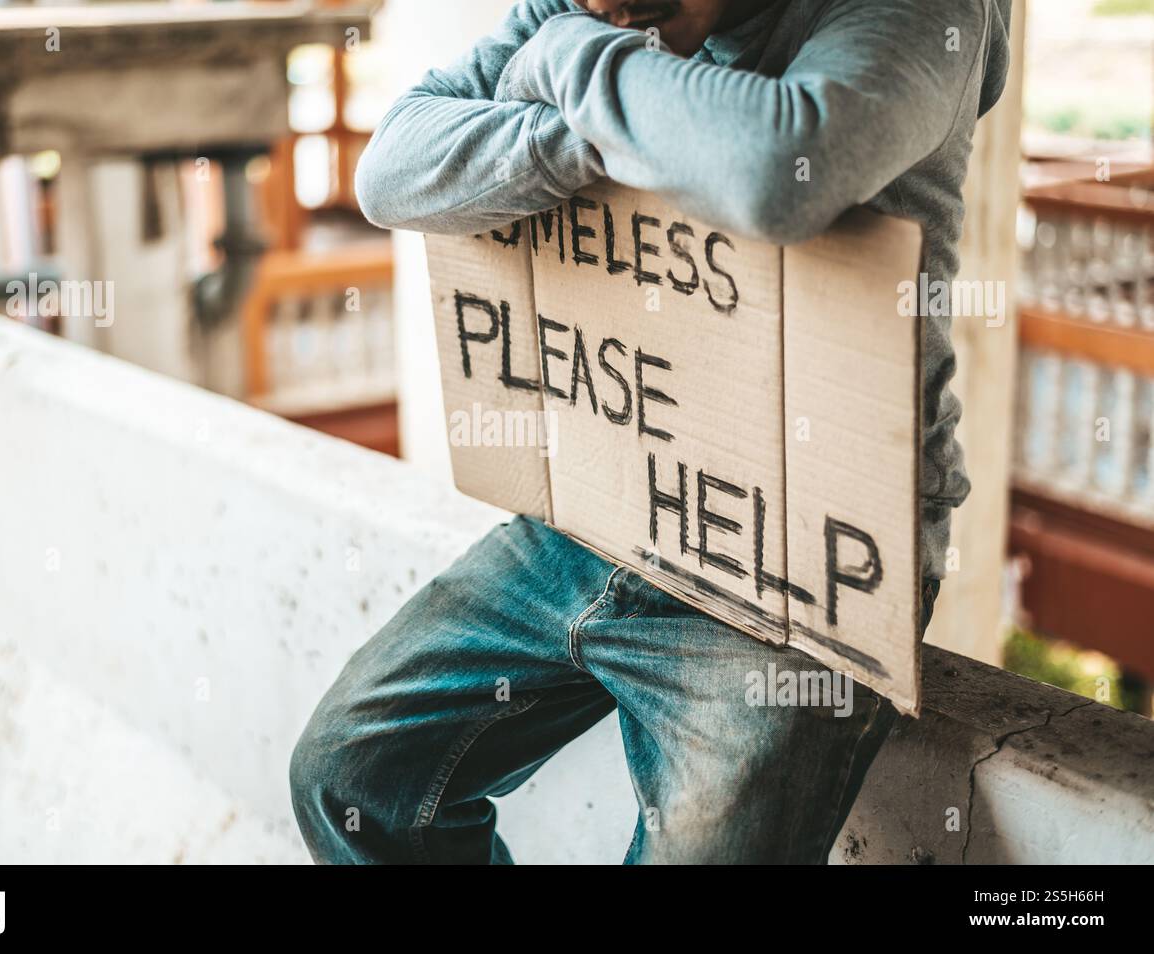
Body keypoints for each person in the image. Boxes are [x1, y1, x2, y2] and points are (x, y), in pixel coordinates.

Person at [291, 0, 1012, 864]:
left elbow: (779, 170)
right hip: (607, 498)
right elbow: (392, 170)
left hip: (801, 567)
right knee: (351, 780)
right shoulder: (588, 8)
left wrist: (565, 62)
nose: (608, 11)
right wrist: (602, 136)